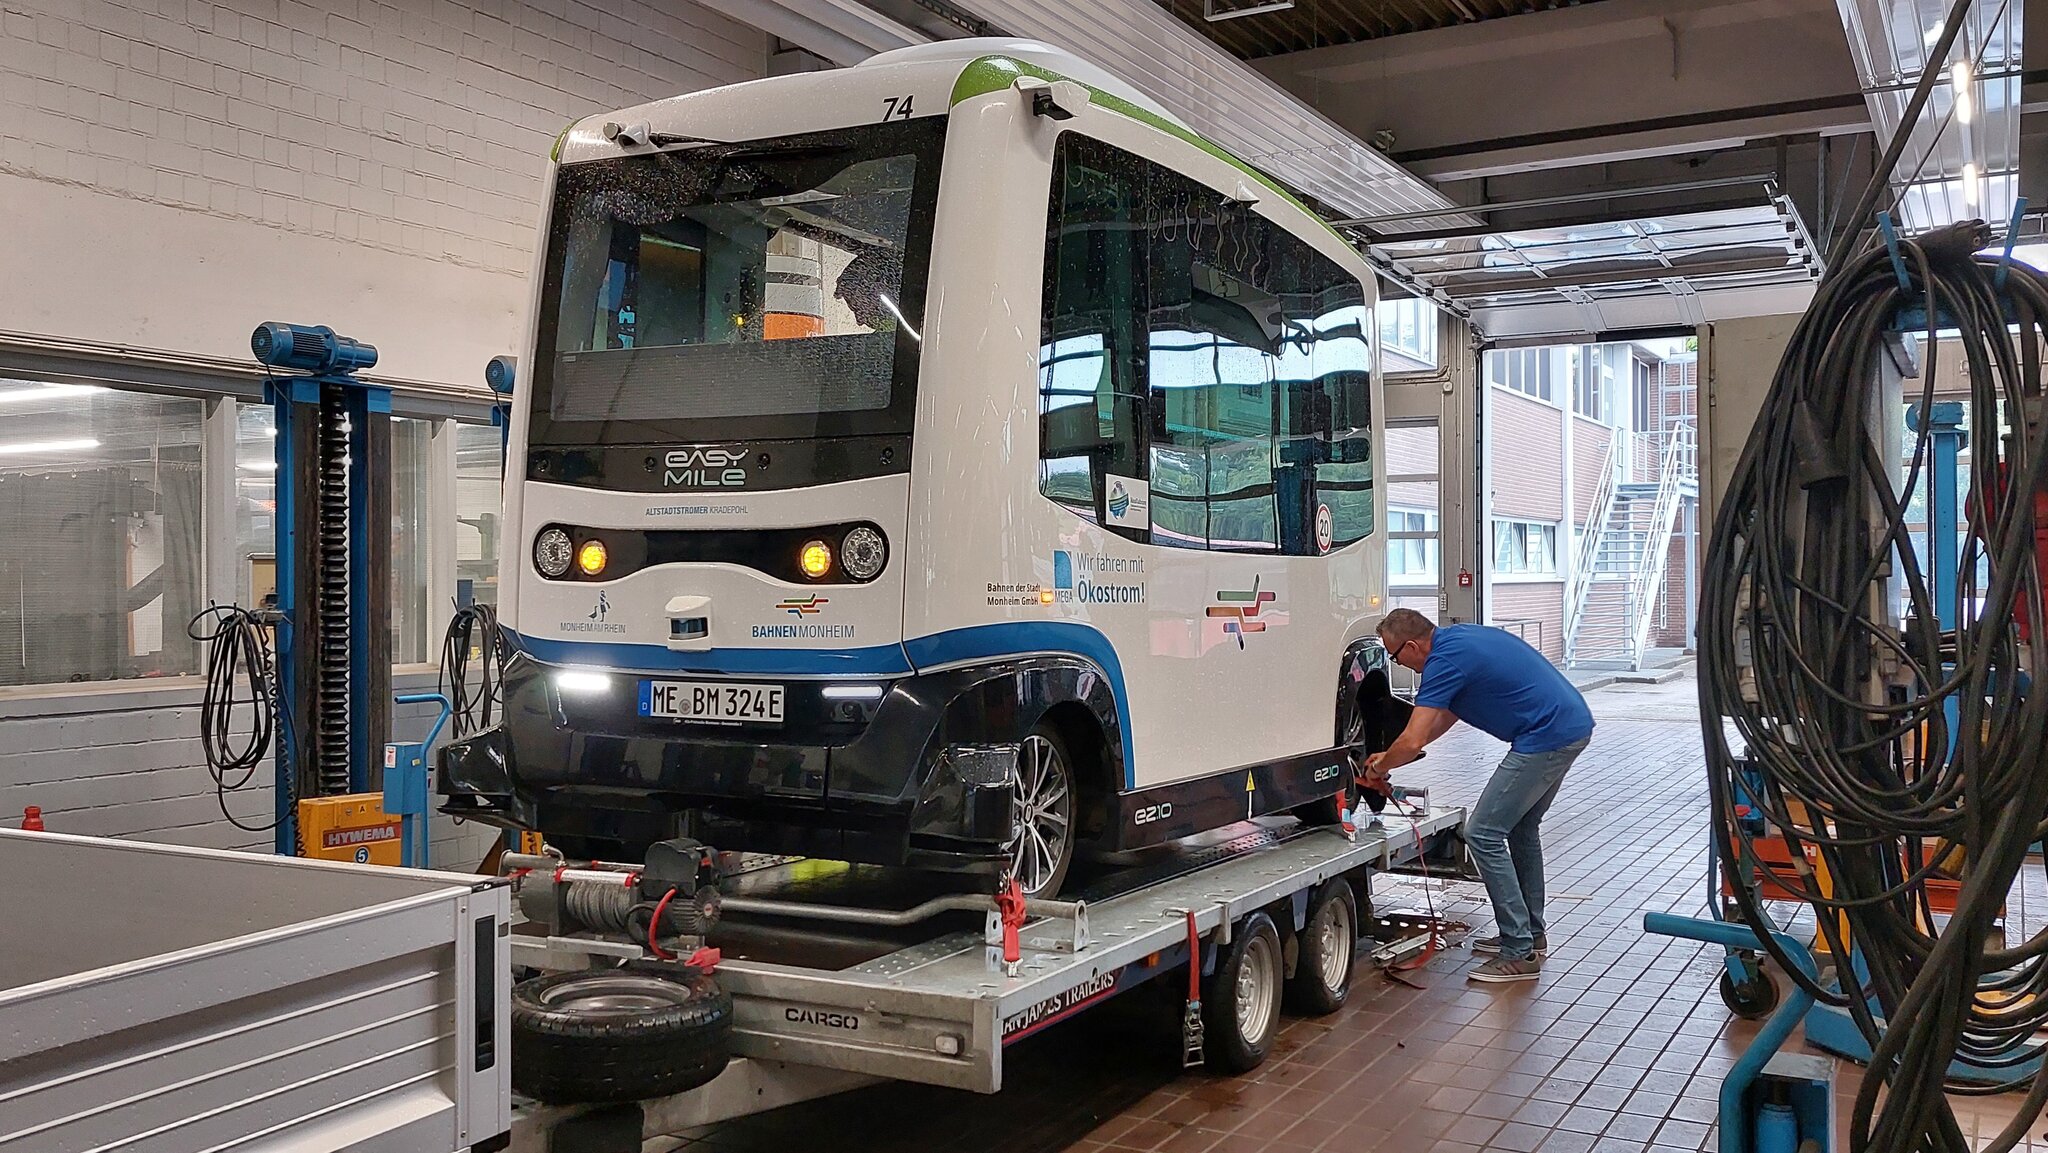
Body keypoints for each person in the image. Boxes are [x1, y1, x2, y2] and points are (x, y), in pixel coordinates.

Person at [1364, 609, 1593, 984]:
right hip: (1567, 725)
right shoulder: (1458, 641)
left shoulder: (1442, 662)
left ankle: (1518, 953)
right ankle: (1530, 935)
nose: (1396, 663)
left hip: (1546, 737)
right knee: (1519, 829)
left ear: (1411, 646)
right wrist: (1391, 758)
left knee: (1483, 833)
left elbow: (1414, 739)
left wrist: (1380, 768)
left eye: (1394, 656)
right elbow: (1441, 720)